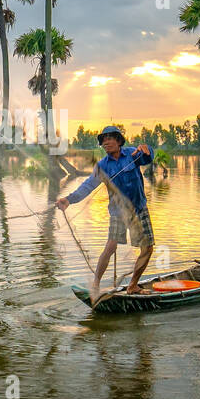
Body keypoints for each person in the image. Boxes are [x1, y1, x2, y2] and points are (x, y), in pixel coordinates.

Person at [57, 125, 154, 300]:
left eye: (110, 138)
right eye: (103, 140)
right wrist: (69, 200)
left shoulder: (132, 154)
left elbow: (147, 158)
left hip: (139, 209)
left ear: (118, 141)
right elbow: (87, 186)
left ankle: (133, 286)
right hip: (118, 212)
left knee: (147, 248)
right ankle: (95, 285)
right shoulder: (102, 166)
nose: (106, 142)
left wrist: (147, 150)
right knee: (110, 247)